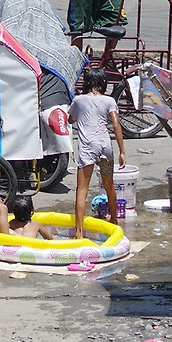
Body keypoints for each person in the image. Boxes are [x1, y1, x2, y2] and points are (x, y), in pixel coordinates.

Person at [70, 67, 127, 239]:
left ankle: (79, 233)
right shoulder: (109, 101)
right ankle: (114, 221)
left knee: (82, 190)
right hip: (105, 147)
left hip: (88, 148)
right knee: (109, 185)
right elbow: (116, 125)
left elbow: (70, 119)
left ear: (87, 82)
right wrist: (122, 151)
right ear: (103, 82)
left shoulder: (79, 100)